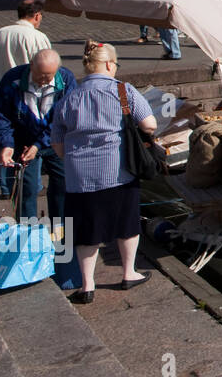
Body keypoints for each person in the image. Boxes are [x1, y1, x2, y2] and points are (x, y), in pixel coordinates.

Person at [50, 41, 157, 304]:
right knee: (126, 222)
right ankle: (128, 273)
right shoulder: (123, 91)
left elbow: (56, 143)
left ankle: (87, 285)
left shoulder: (69, 97)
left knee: (85, 230)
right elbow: (150, 125)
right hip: (117, 170)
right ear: (109, 64)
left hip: (79, 177)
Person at [0, 48, 75, 226]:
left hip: (55, 141)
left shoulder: (66, 80)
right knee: (26, 189)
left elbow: (65, 118)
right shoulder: (12, 79)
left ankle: (60, 231)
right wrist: (7, 144)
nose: (43, 80)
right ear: (31, 65)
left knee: (63, 185)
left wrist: (38, 145)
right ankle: (28, 232)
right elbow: (0, 114)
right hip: (23, 140)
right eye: (39, 75)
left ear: (57, 70)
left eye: (48, 76)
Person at [0, 0, 52, 87]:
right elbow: (45, 68)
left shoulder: (0, 33)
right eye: (41, 15)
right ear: (37, 16)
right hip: (24, 93)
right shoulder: (38, 37)